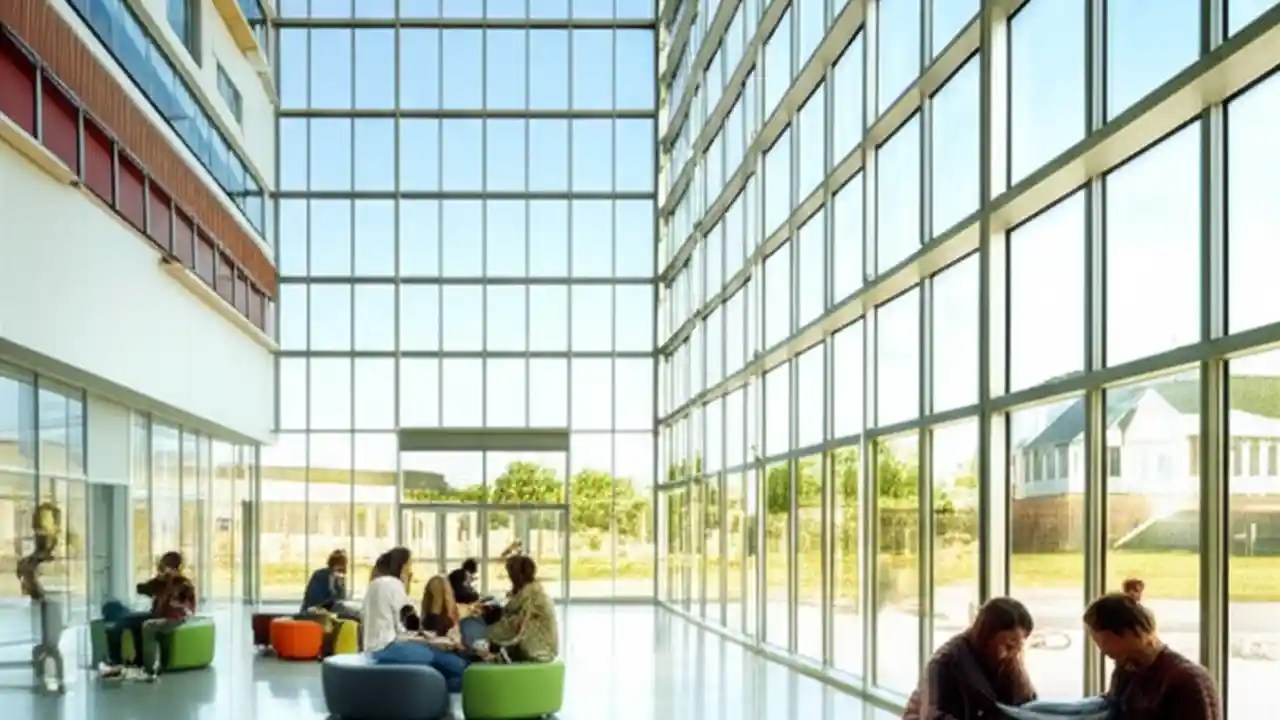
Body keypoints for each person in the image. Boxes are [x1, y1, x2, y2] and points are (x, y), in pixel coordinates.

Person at [1085, 579, 1221, 720]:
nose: (1104, 651)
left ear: (1133, 630)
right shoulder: (1124, 673)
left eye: (1106, 641)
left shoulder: (1187, 681)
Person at [903, 597, 1037, 720]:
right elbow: (935, 717)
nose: (1012, 654)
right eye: (1008, 647)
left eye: (1018, 648)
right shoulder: (945, 663)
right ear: (986, 636)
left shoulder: (1009, 661)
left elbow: (1027, 704)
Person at [101, 551, 195, 680]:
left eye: (168, 568)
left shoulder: (183, 585)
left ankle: (147, 668)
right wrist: (157, 579)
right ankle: (117, 661)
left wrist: (170, 587)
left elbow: (183, 609)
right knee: (125, 621)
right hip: (156, 615)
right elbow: (141, 589)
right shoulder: (161, 582)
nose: (166, 571)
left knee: (148, 626)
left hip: (171, 618)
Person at [486, 554, 558, 662]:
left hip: (539, 651)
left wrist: (486, 632)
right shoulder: (533, 593)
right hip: (540, 647)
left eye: (510, 574)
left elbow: (514, 628)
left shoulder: (533, 600)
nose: (509, 577)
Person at [302, 549, 359, 619]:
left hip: (329, 611)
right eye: (340, 566)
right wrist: (333, 590)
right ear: (333, 565)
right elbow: (316, 603)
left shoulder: (339, 579)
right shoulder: (319, 576)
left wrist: (339, 587)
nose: (342, 570)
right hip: (313, 612)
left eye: (344, 566)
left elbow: (341, 599)